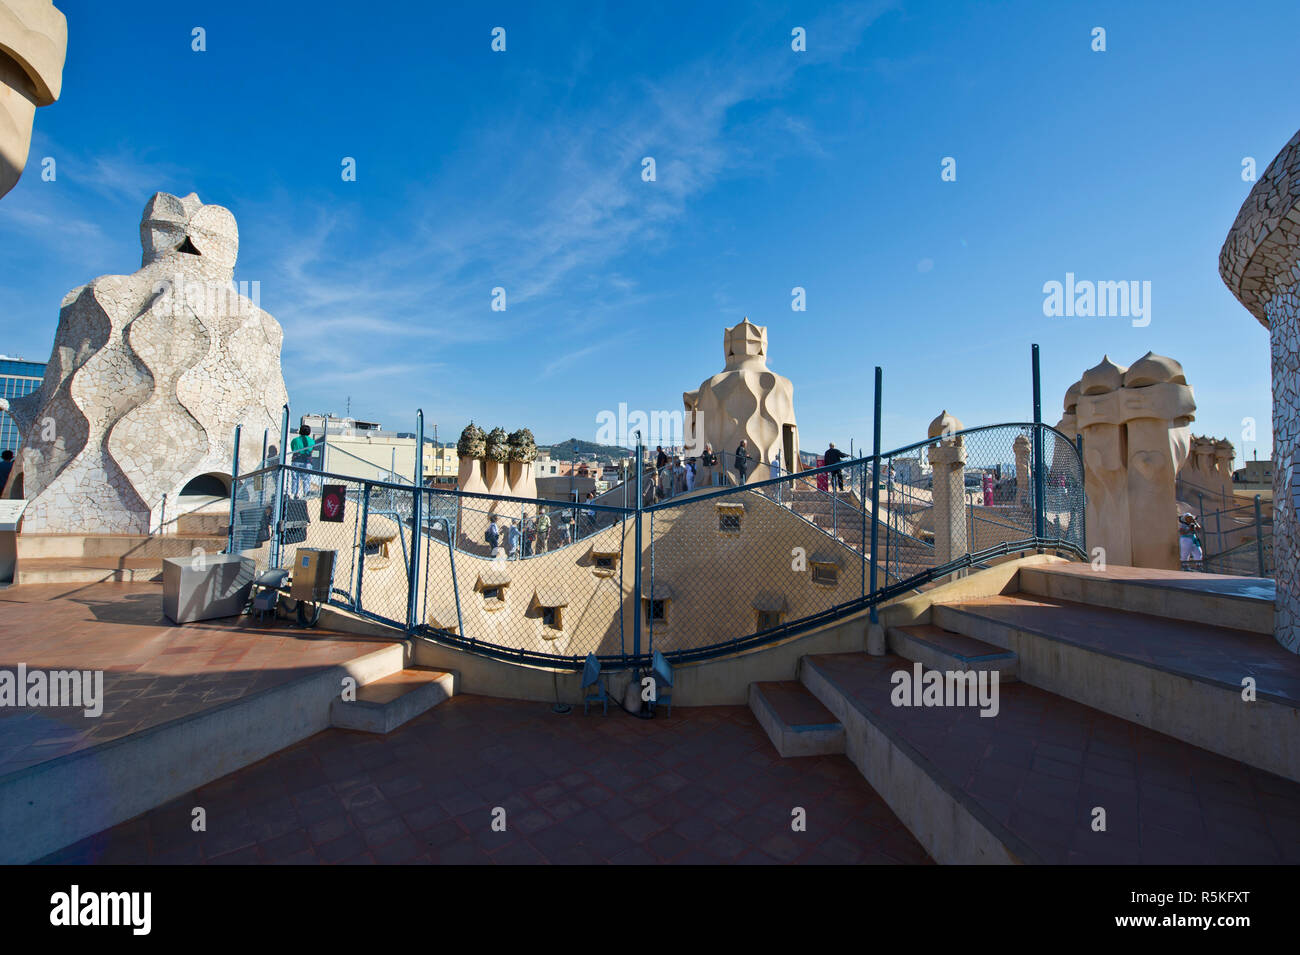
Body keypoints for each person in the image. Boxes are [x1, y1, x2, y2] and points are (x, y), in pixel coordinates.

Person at [289, 425, 316, 497]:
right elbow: (312, 450)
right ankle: (306, 493)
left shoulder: (295, 440)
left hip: (296, 460)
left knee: (295, 478)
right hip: (307, 461)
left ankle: (295, 493)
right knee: (306, 478)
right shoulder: (311, 441)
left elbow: (292, 448)